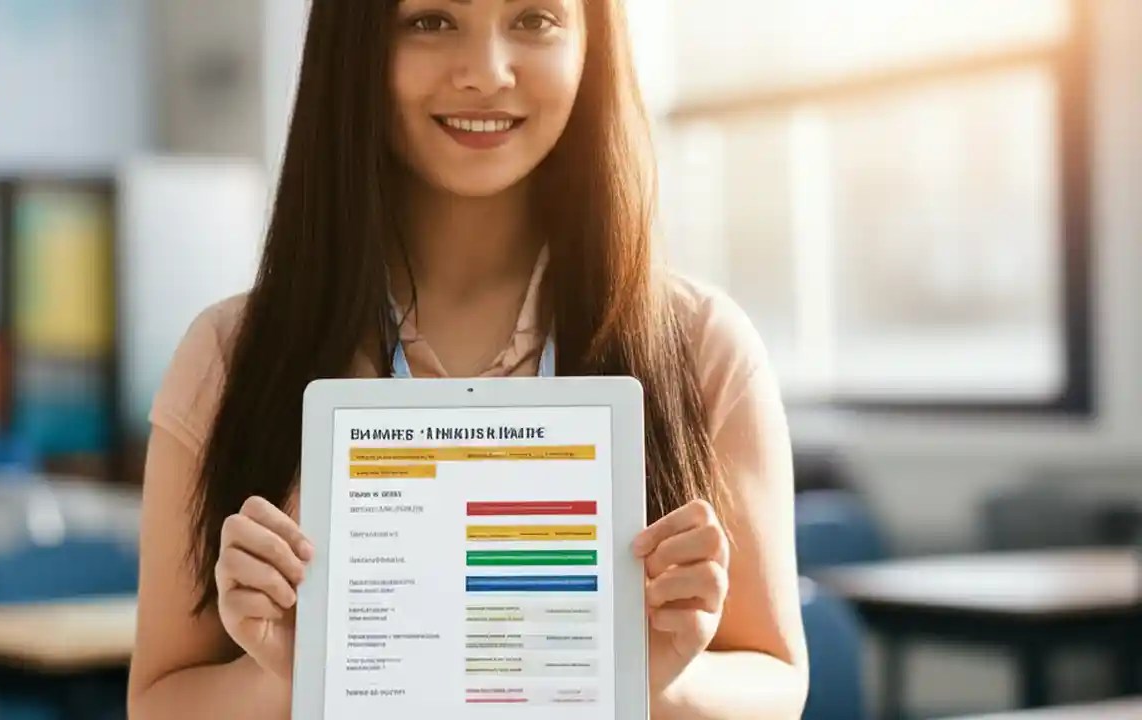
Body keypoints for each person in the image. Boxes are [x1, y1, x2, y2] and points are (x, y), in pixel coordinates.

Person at [128, 1, 808, 718]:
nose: (486, 74)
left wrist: (649, 681)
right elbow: (158, 701)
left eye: (535, 19)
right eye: (430, 21)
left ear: (592, 46)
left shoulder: (702, 346)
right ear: (354, 46)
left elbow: (778, 680)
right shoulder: (229, 354)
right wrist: (292, 676)